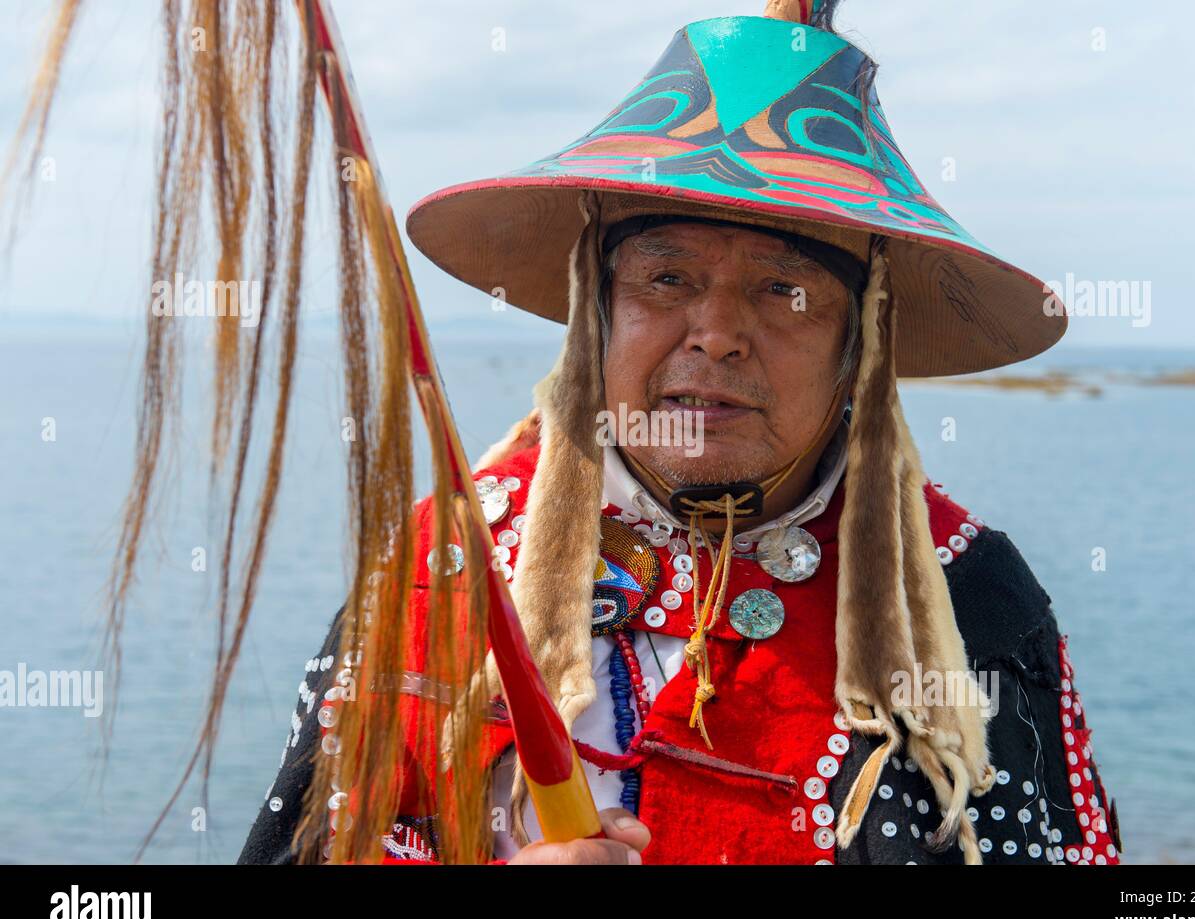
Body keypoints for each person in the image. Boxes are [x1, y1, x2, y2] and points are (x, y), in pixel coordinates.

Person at [239, 0, 1121, 865]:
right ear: (597, 314)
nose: (717, 333)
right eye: (666, 278)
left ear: (862, 345)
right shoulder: (449, 572)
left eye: (786, 290)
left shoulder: (961, 593)